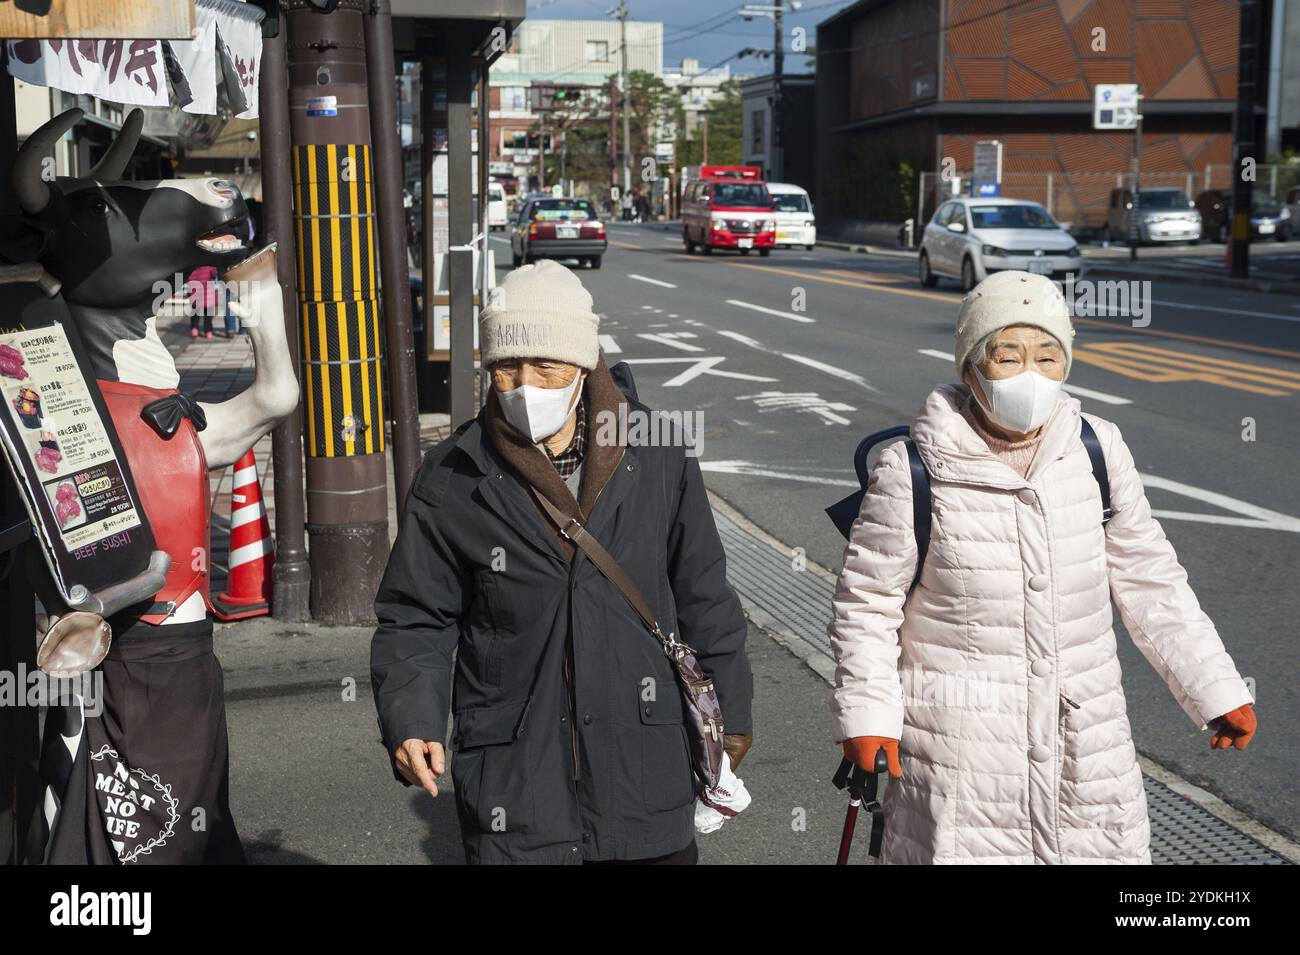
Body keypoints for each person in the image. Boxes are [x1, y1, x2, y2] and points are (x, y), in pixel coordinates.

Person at [829, 270, 1257, 864]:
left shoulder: (1097, 450)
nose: (1031, 373)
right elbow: (866, 606)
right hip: (961, 757)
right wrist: (868, 716)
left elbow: (1151, 578)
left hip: (1086, 750)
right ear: (972, 366)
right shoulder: (911, 470)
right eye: (1008, 355)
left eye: (1049, 355)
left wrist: (1214, 687)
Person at [371, 260, 753, 864]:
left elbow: (702, 591)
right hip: (514, 777)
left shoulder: (656, 453)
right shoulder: (453, 473)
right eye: (505, 368)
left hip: (645, 769)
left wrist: (731, 709)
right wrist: (411, 717)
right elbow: (416, 614)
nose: (524, 384)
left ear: (582, 367)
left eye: (545, 366)